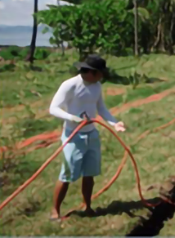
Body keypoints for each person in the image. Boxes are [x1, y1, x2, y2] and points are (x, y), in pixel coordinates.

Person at [47, 54, 127, 221]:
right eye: (100, 73)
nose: (102, 76)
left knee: (89, 173)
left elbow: (101, 108)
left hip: (91, 134)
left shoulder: (96, 86)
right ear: (91, 72)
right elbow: (53, 108)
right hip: (73, 136)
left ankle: (87, 206)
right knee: (67, 174)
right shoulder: (70, 85)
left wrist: (114, 123)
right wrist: (72, 118)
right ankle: (55, 211)